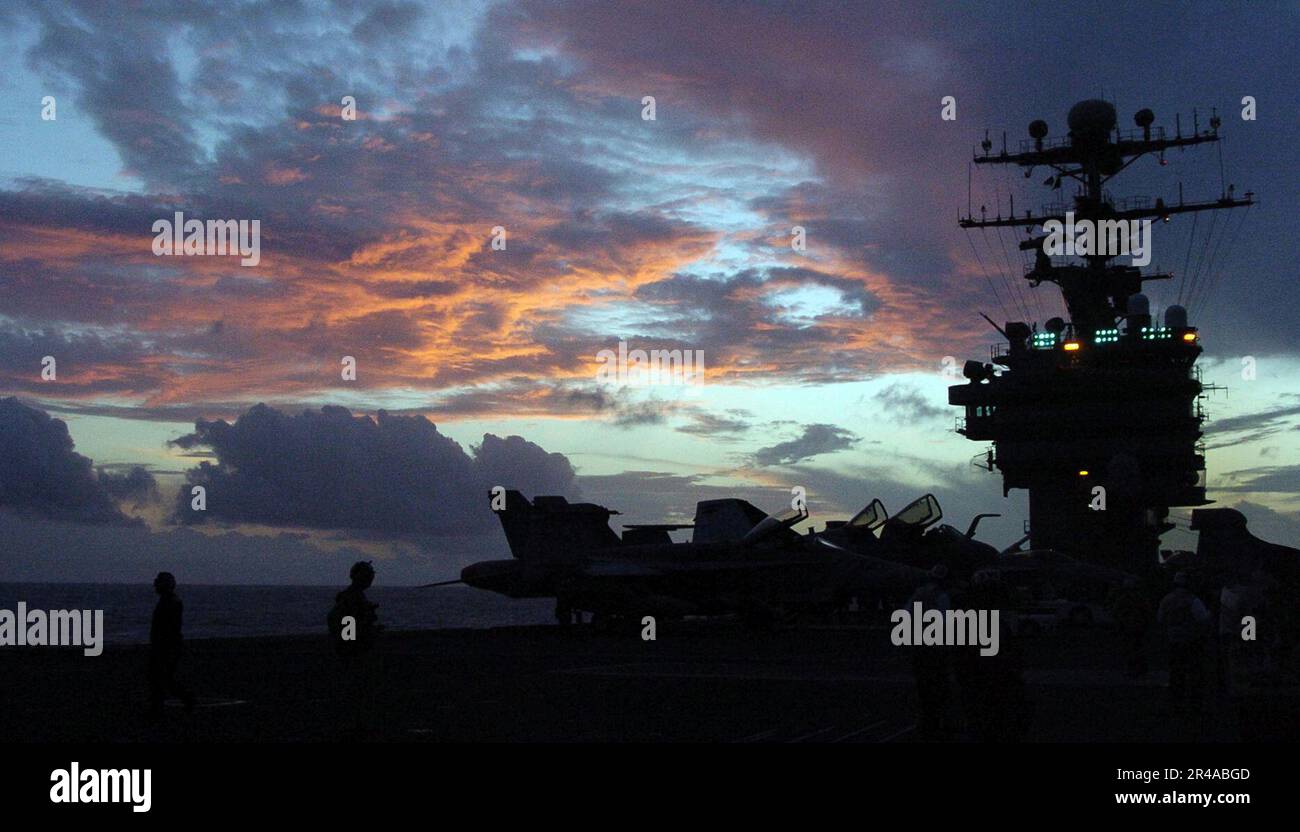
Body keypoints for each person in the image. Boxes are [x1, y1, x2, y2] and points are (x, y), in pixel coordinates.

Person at [328, 561, 382, 738]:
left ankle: (356, 723)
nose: (371, 579)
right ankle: (353, 725)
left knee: (358, 689)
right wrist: (365, 628)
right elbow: (348, 630)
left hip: (356, 649)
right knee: (356, 688)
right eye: (368, 575)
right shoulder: (352, 598)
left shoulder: (354, 597)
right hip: (356, 651)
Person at [908, 565, 953, 740]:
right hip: (936, 649)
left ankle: (925, 721)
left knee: (923, 687)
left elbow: (906, 615)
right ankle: (940, 721)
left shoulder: (917, 596)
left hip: (919, 648)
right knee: (940, 686)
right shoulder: (942, 597)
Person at [1157, 571, 1210, 717]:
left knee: (1176, 673)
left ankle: (1176, 703)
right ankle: (1195, 705)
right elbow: (1203, 619)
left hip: (1173, 639)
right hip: (1192, 640)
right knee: (1195, 673)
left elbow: (1160, 618)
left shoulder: (1166, 599)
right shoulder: (1193, 600)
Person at [148, 572, 195, 716]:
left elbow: (169, 627)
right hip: (165, 645)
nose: (155, 585)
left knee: (163, 678)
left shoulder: (171, 602)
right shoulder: (168, 601)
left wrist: (163, 644)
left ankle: (186, 700)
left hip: (167, 646)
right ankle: (159, 706)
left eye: (158, 583)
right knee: (161, 678)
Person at [1108, 576, 1150, 678]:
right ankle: (1140, 669)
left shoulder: (1123, 599)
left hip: (1127, 626)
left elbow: (1115, 612)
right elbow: (1147, 611)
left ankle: (1131, 669)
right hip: (1137, 626)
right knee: (1137, 648)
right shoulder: (1140, 598)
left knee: (1128, 648)